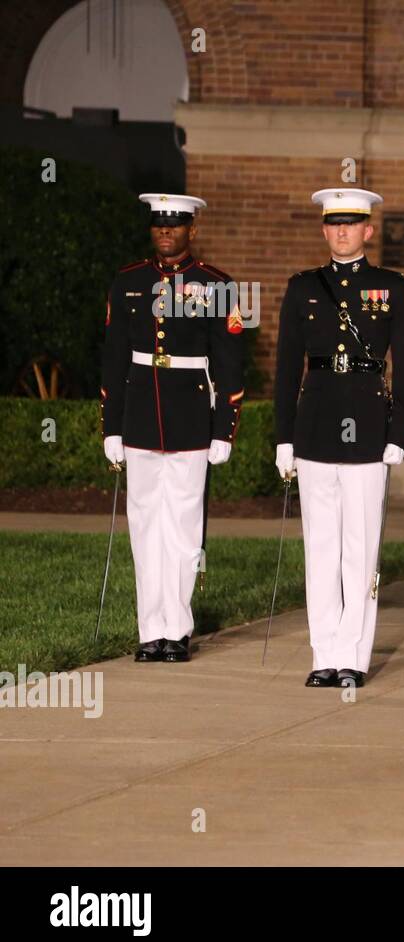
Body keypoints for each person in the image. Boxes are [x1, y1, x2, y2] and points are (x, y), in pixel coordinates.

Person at [274, 188, 404, 689]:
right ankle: (324, 653)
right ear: (324, 229)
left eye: (351, 223)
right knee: (320, 548)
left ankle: (353, 656)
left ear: (368, 230)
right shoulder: (302, 288)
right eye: (333, 223)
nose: (341, 231)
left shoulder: (392, 287)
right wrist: (283, 439)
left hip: (367, 425)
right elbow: (284, 368)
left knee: (359, 549)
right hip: (314, 423)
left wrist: (398, 431)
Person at [101, 193, 244, 664]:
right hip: (140, 413)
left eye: (175, 225)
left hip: (189, 418)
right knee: (144, 528)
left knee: (183, 528)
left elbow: (230, 364)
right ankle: (149, 631)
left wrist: (224, 427)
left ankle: (177, 630)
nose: (166, 232)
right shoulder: (128, 282)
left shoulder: (216, 285)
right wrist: (111, 427)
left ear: (192, 230)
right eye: (159, 225)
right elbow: (114, 360)